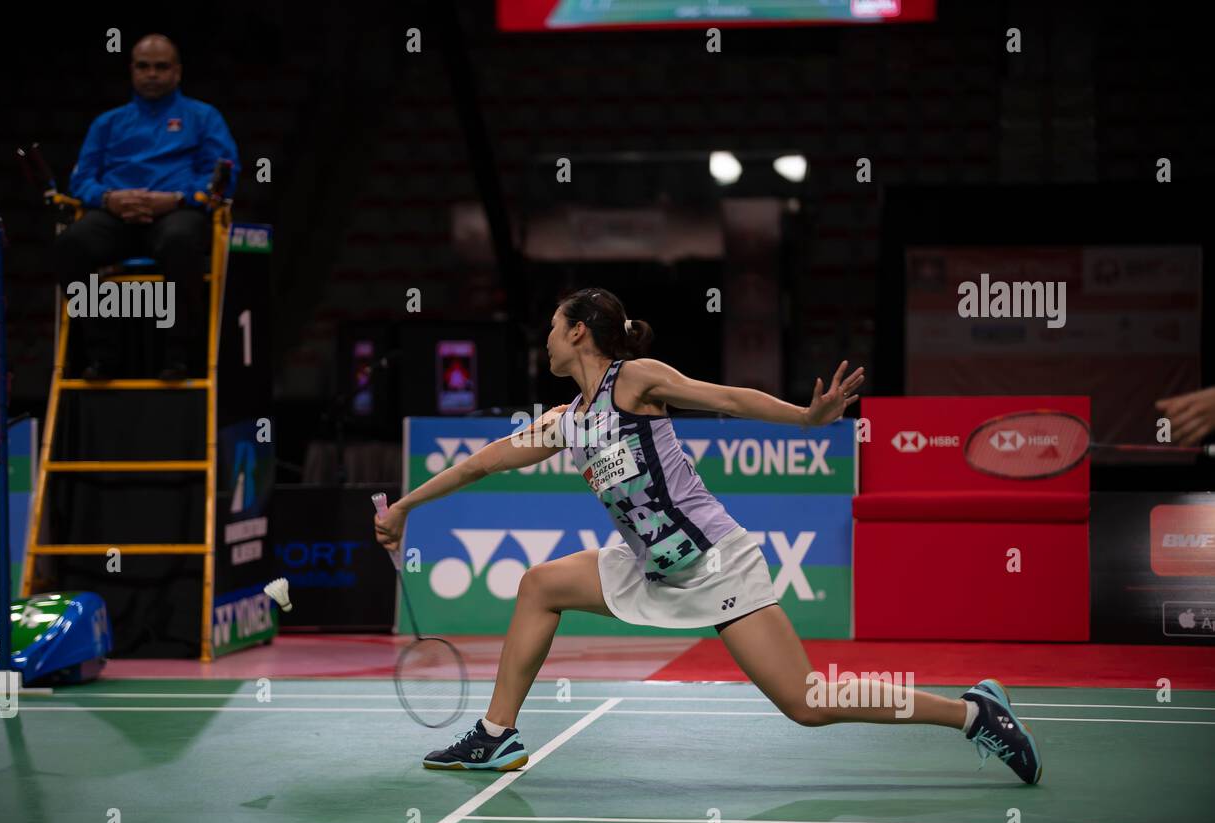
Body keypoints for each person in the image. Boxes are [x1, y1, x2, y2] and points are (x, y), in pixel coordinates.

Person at [374, 289, 1042, 784]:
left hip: (714, 563)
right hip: (647, 563)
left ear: (578, 332)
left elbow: (726, 398)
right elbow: (481, 463)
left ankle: (972, 714)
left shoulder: (633, 380)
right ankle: (496, 734)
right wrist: (405, 506)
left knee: (808, 702)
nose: (544, 340)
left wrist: (805, 419)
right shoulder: (567, 420)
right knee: (540, 585)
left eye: (552, 327)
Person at [52, 33, 238, 380]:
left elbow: (222, 176)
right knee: (70, 245)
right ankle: (102, 355)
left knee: (181, 241)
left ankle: (178, 356)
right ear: (132, 70)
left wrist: (178, 198)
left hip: (176, 214)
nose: (152, 74)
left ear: (177, 72)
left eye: (161, 67)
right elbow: (81, 180)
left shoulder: (203, 117)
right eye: (143, 66)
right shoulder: (107, 123)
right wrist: (109, 199)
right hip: (116, 217)